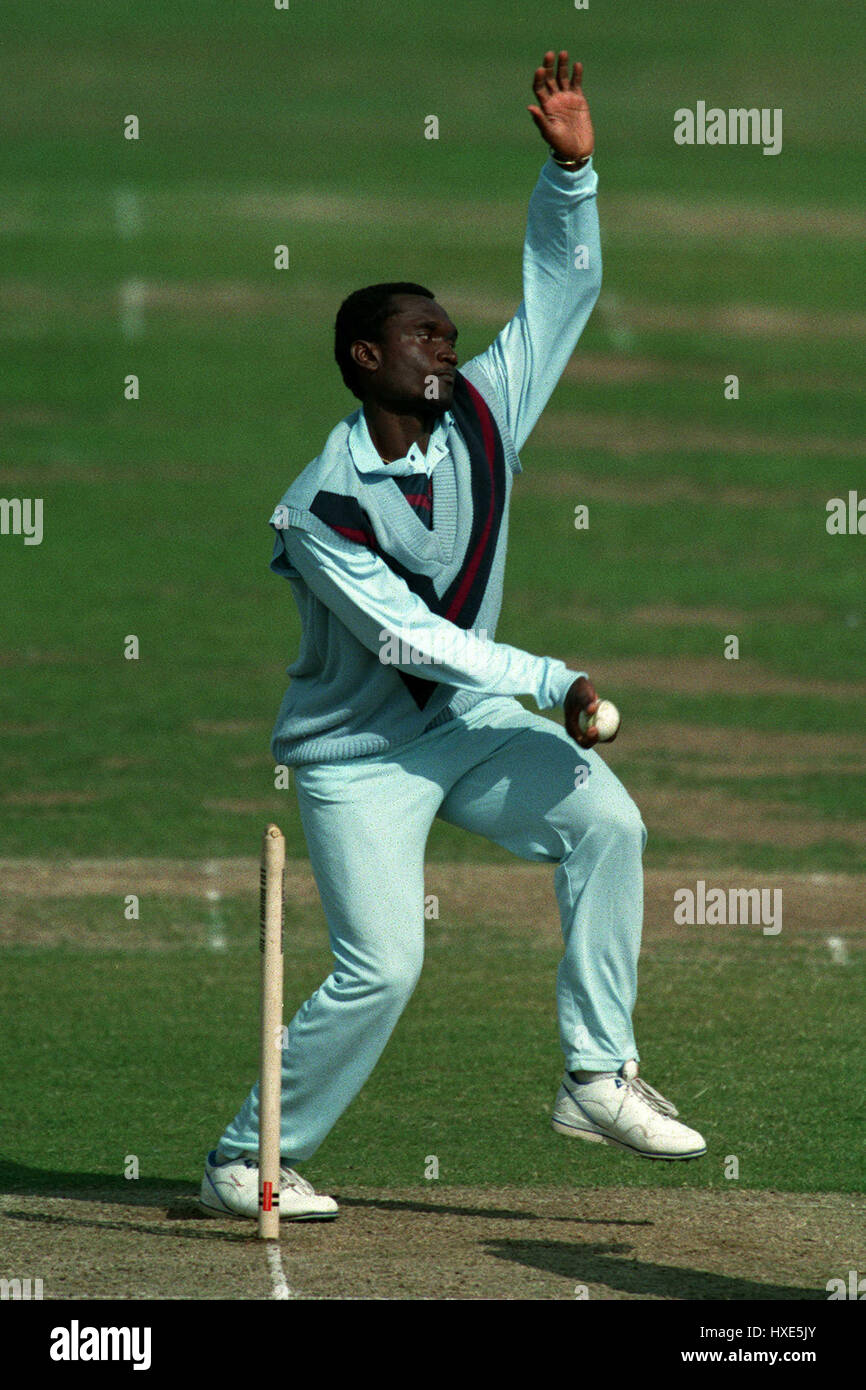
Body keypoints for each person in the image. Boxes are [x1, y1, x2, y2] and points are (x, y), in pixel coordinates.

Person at [200, 50, 705, 1224]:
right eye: (423, 334)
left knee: (606, 823)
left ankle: (593, 1074)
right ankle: (244, 1157)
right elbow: (412, 640)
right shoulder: (321, 503)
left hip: (468, 726)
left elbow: (558, 295)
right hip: (358, 754)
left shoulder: (483, 407)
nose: (448, 343)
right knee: (383, 966)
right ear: (363, 359)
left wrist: (570, 173)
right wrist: (551, 678)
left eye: (448, 330)